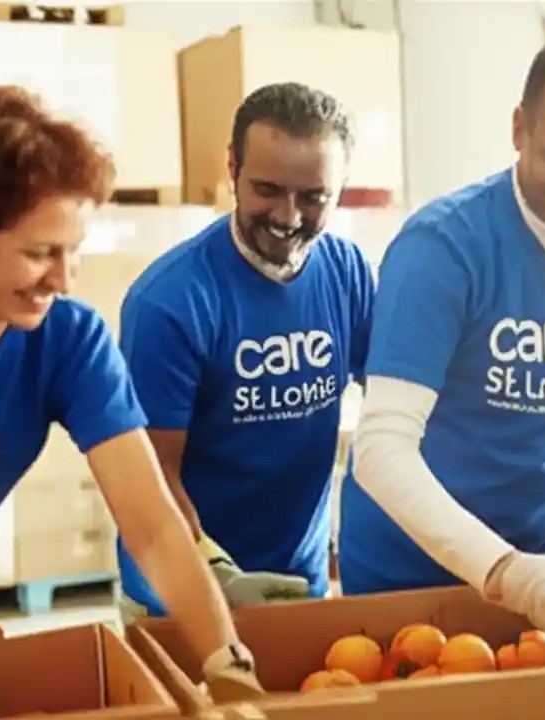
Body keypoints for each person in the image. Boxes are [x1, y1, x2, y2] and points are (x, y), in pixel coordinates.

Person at [0, 86, 263, 708]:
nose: (64, 279)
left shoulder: (67, 341)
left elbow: (152, 526)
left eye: (73, 252)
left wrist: (226, 661)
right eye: (39, 253)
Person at [340, 34, 545, 657]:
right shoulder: (442, 249)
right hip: (409, 577)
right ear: (519, 129)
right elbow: (380, 449)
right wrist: (507, 572)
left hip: (544, 574)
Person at [114, 82, 373, 619]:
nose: (288, 216)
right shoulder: (171, 301)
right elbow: (149, 477)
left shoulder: (346, 271)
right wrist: (213, 573)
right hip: (177, 593)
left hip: (299, 586)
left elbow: (397, 407)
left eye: (313, 197)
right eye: (268, 190)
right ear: (232, 167)